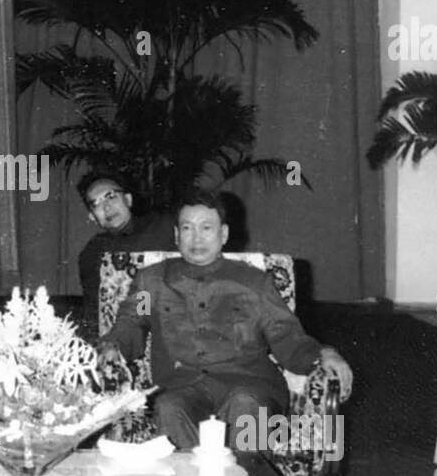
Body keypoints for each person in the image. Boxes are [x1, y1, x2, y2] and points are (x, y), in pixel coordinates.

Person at [97, 188, 353, 450]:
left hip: (250, 385)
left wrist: (323, 354)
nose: (197, 238)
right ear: (176, 235)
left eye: (206, 227)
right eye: (187, 228)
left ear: (224, 235)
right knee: (168, 407)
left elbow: (286, 336)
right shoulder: (151, 282)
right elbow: (132, 323)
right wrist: (113, 345)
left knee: (246, 404)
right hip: (181, 387)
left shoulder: (254, 282)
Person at [76, 171, 175, 340]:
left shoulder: (165, 228)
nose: (106, 207)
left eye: (111, 196)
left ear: (128, 200)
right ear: (92, 217)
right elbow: (94, 313)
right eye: (96, 204)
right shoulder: (92, 253)